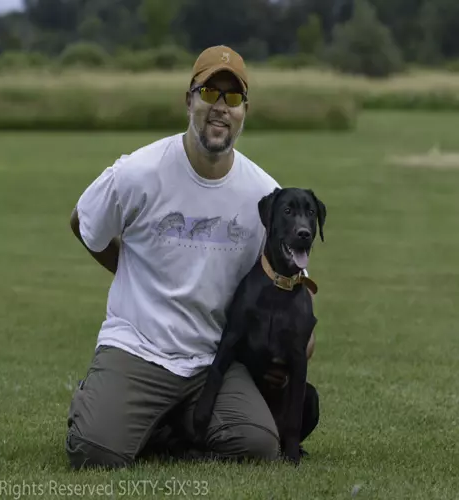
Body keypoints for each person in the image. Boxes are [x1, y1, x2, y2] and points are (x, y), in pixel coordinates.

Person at [66, 45, 319, 470]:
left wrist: (294, 348)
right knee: (96, 451)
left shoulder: (264, 193)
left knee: (257, 445)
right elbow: (83, 221)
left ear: (244, 112)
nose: (221, 107)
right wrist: (126, 269)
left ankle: (169, 423)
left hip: (212, 360)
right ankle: (97, 400)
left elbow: (292, 278)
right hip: (139, 348)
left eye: (233, 98)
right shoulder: (139, 171)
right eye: (210, 93)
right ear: (189, 100)